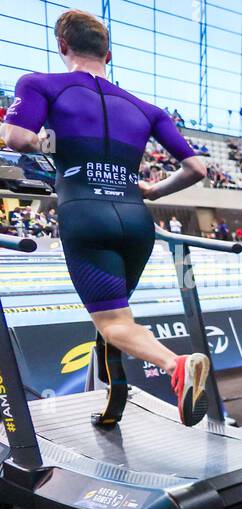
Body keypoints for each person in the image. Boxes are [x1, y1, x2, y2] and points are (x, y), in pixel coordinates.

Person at [0, 9, 211, 426]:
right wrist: (151, 189)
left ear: (63, 47)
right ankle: (113, 402)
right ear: (109, 55)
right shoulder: (146, 107)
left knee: (113, 321)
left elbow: (17, 138)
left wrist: (54, 143)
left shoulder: (40, 84)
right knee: (115, 317)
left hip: (86, 214)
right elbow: (196, 169)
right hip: (135, 219)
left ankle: (176, 365)